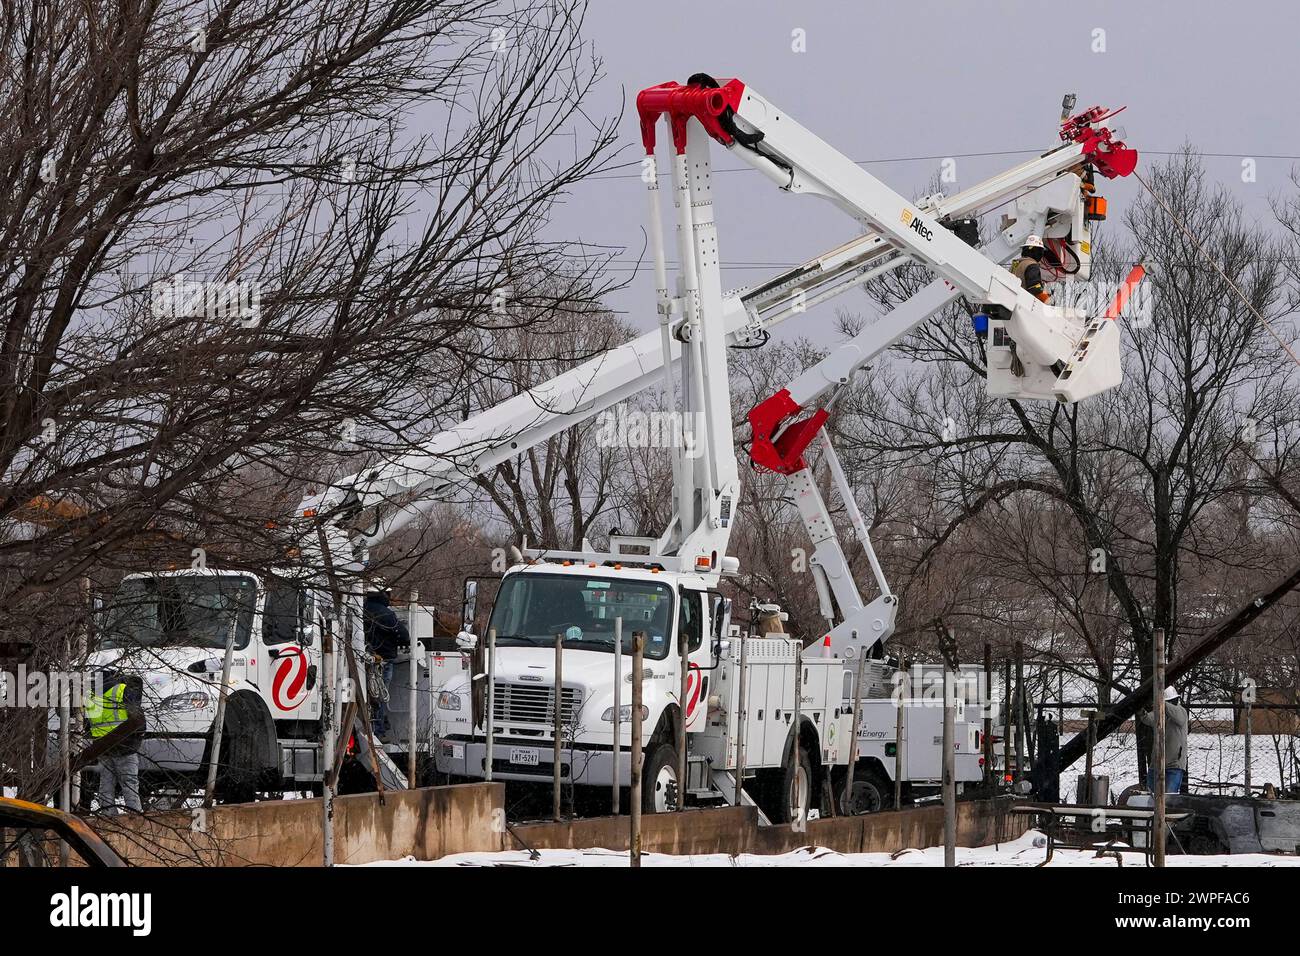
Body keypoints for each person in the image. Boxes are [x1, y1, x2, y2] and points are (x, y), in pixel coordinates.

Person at [85, 670, 145, 815]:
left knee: (105, 784)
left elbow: (88, 725)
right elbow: (137, 719)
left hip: (102, 747)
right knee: (129, 784)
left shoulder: (91, 696)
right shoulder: (122, 690)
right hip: (126, 746)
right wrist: (138, 737)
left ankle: (108, 816)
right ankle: (135, 816)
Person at [363, 587, 409, 737]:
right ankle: (378, 729)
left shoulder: (360, 610)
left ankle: (370, 726)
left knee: (368, 694)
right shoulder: (387, 614)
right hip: (384, 660)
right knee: (380, 694)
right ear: (384, 595)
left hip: (363, 659)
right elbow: (403, 635)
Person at [1140, 685, 1189, 794]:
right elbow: (1149, 719)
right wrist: (1141, 711)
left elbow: (1178, 717)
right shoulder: (1160, 713)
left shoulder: (1181, 712)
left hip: (1174, 764)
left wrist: (1160, 701)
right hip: (1156, 763)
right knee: (1151, 795)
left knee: (1169, 797)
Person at [1010, 234, 1051, 302]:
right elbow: (1035, 288)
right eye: (1040, 251)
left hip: (1013, 300)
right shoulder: (1032, 265)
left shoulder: (1016, 264)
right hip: (1024, 303)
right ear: (1035, 251)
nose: (1041, 254)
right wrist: (1047, 300)